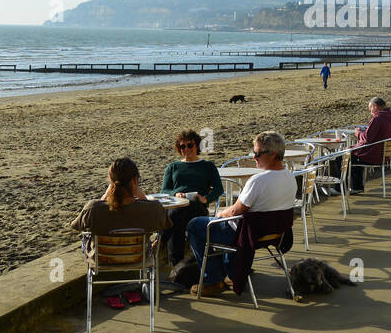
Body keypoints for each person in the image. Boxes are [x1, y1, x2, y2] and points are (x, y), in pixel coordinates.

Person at [186, 131, 296, 296]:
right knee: (229, 224)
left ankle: (213, 279)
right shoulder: (290, 177)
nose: (254, 157)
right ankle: (231, 274)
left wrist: (220, 214)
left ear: (273, 154)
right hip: (274, 234)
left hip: (249, 236)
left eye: (257, 153)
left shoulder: (258, 181)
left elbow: (236, 211)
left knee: (195, 225)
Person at [69, 158, 171, 304]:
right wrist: (141, 196)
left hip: (102, 260)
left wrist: (105, 197)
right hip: (138, 259)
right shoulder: (153, 209)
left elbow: (76, 226)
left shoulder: (94, 208)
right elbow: (165, 224)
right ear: (135, 181)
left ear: (111, 182)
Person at [159, 130, 224, 267]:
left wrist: (205, 199)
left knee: (178, 213)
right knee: (178, 214)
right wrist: (176, 194)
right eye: (182, 146)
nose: (186, 149)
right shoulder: (173, 167)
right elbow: (165, 190)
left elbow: (219, 189)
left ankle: (162, 243)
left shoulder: (207, 166)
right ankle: (178, 266)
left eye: (190, 145)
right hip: (178, 206)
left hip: (197, 207)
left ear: (197, 146)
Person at [349, 96, 391, 192]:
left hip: (374, 156)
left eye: (370, 109)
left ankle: (342, 188)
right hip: (384, 155)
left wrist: (358, 133)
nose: (370, 112)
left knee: (344, 157)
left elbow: (367, 138)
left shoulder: (378, 118)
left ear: (375, 106)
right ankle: (356, 187)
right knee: (354, 155)